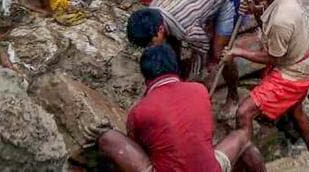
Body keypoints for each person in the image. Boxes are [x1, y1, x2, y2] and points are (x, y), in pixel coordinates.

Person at [98, 44, 266, 172]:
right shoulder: (199, 90)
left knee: (108, 137)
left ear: (146, 76)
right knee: (242, 138)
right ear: (176, 68)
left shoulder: (139, 111)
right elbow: (207, 133)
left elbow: (139, 148)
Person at [225, 0, 309, 149]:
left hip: (293, 72)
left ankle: (249, 162)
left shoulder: (281, 20)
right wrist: (255, 8)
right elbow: (267, 23)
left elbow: (274, 57)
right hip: (304, 59)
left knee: (244, 113)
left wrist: (239, 52)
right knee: (296, 110)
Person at [126, 0, 243, 104]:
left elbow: (202, 48)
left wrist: (192, 80)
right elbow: (171, 38)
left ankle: (233, 95)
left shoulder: (187, 30)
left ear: (160, 30)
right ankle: (177, 72)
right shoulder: (154, 9)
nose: (150, 47)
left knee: (220, 53)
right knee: (171, 40)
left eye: (150, 43)